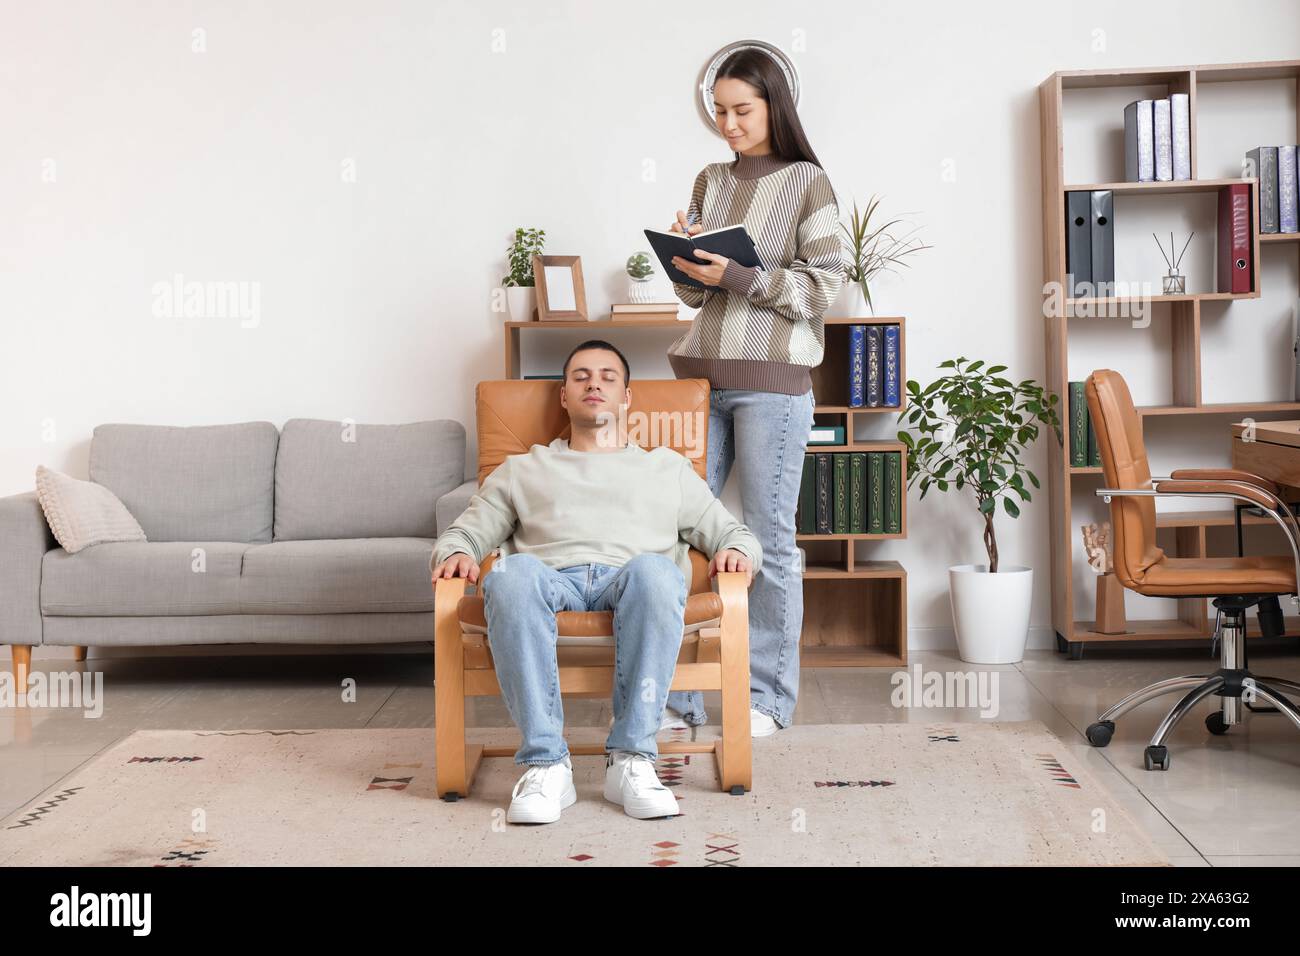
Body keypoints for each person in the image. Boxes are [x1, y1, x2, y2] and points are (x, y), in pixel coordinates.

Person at [430, 340, 762, 824]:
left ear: (626, 398)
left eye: (608, 377)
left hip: (634, 585)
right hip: (548, 583)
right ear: (564, 396)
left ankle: (631, 759)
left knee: (656, 572)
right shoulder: (523, 469)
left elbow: (735, 533)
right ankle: (546, 765)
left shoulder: (666, 467)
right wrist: (457, 551)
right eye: (581, 376)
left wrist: (735, 550)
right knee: (510, 575)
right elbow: (463, 533)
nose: (594, 384)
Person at [663, 48, 847, 737]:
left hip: (772, 387)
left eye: (742, 109)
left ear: (774, 106)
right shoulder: (710, 178)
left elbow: (823, 288)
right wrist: (686, 261)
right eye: (720, 110)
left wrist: (740, 275)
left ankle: (766, 700)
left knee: (767, 539)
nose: (729, 123)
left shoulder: (807, 183)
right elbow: (692, 294)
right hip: (699, 381)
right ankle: (676, 701)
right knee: (677, 535)